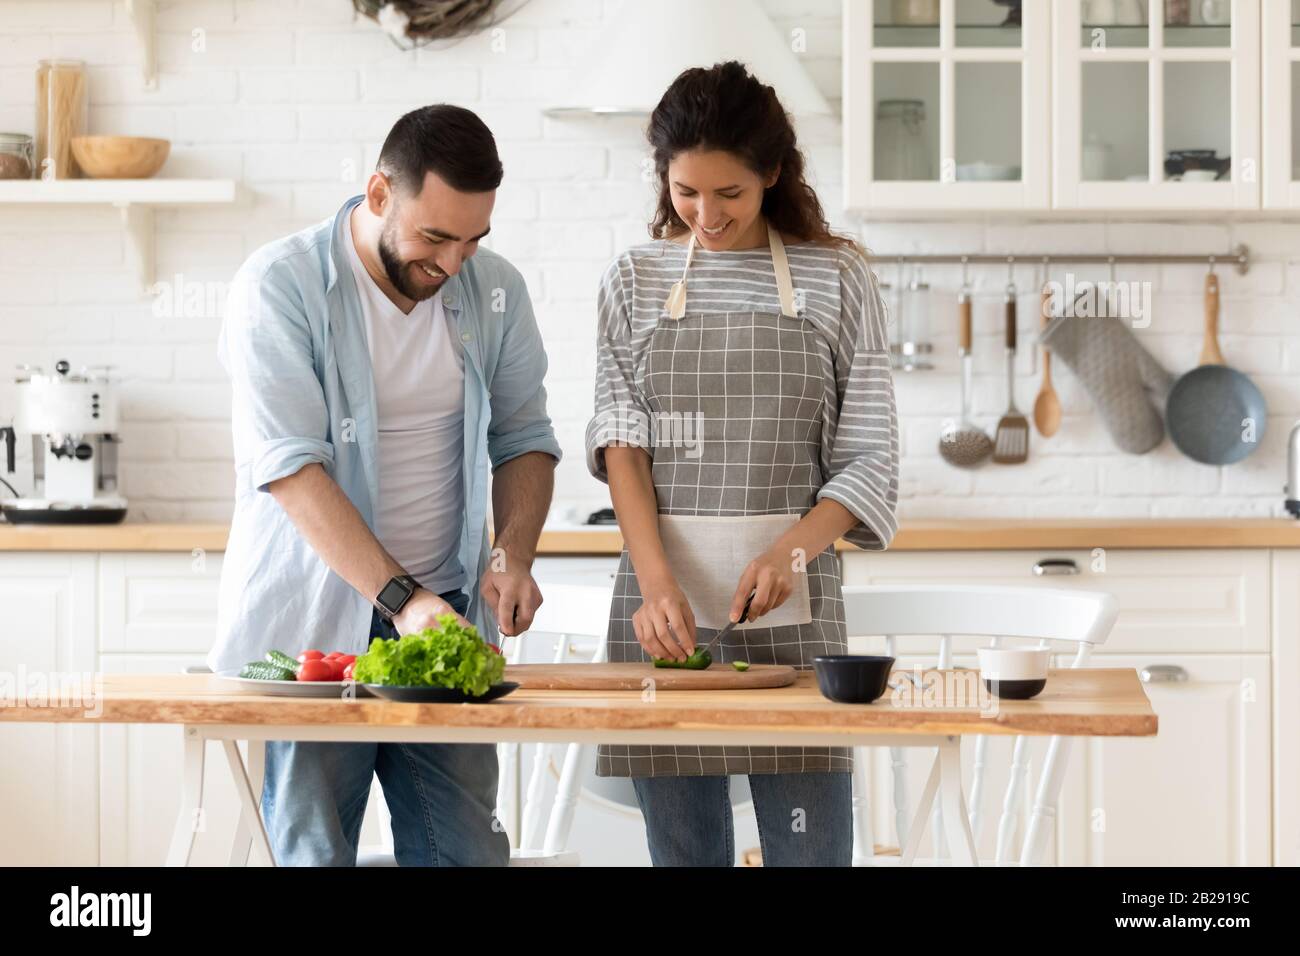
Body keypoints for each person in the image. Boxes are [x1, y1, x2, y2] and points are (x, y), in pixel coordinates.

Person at [211, 104, 561, 866]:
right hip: (319, 628)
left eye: (473, 240)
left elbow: (526, 440)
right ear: (377, 194)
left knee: (467, 853)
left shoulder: (493, 291)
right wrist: (404, 603)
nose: (453, 264)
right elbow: (292, 471)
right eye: (435, 237)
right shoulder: (281, 285)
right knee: (316, 853)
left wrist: (512, 556)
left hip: (449, 620)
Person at [585, 62, 899, 867]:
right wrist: (655, 582)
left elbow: (868, 453)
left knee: (812, 852)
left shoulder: (837, 277)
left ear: (772, 174)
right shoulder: (634, 278)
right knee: (685, 855)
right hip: (665, 615)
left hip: (795, 616)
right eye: (687, 192)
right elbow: (623, 441)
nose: (706, 215)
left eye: (729, 194)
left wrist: (794, 549)